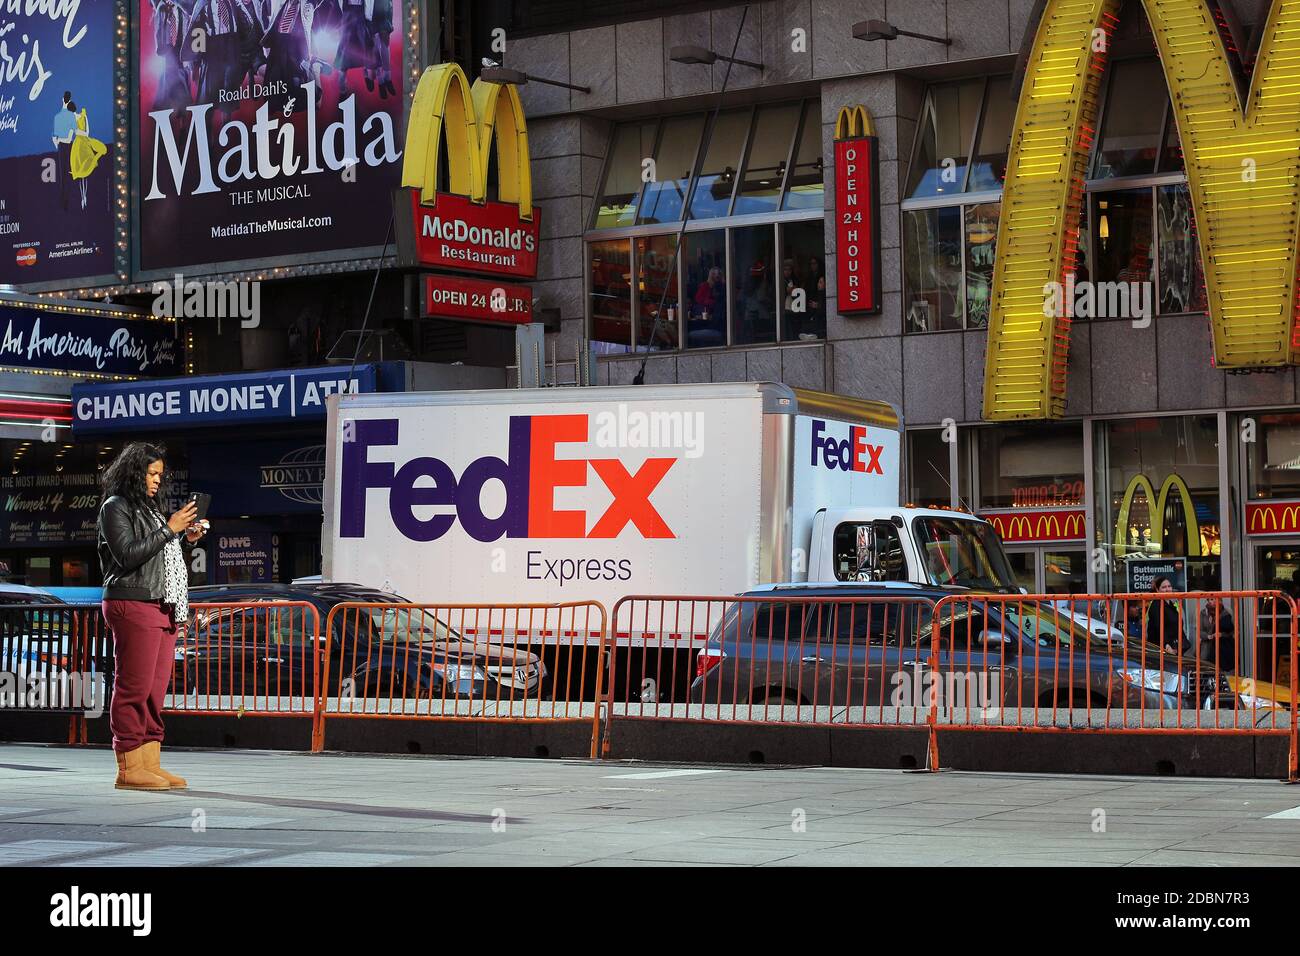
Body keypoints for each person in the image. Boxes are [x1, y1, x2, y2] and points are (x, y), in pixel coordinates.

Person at [98, 443, 208, 791]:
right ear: (134, 472)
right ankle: (129, 766)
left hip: (163, 602)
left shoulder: (150, 510)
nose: (158, 480)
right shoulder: (115, 507)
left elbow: (160, 558)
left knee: (154, 689)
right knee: (134, 686)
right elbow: (128, 556)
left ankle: (150, 763)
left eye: (161, 474)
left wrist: (185, 539)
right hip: (134, 602)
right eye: (152, 473)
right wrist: (170, 528)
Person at [68, 104, 108, 211]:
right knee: (81, 172)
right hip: (80, 144)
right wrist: (82, 133)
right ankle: (83, 196)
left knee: (83, 171)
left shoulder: (80, 116)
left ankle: (84, 196)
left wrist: (81, 133)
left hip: (82, 144)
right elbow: (82, 132)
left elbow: (83, 132)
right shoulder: (77, 117)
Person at [1145, 576, 1187, 655]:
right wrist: (1166, 645)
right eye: (1164, 587)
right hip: (1162, 651)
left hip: (1175, 647)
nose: (1168, 589)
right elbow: (1158, 628)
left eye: (1169, 586)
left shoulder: (1171, 604)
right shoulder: (1156, 605)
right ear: (1157, 590)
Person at [51, 93, 77, 212]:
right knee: (71, 172)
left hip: (62, 147)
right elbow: (73, 135)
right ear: (69, 100)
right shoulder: (71, 116)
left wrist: (57, 143)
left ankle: (64, 202)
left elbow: (54, 137)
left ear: (62, 100)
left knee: (63, 175)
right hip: (69, 146)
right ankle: (69, 201)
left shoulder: (57, 116)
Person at [1198, 595, 1236, 672]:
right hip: (1208, 647)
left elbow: (1232, 631)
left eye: (1216, 599)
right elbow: (1199, 631)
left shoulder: (1226, 612)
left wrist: (1221, 634)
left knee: (1224, 672)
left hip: (1223, 648)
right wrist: (1208, 636)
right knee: (1209, 670)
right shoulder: (1203, 613)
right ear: (1208, 601)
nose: (1214, 601)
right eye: (1211, 599)